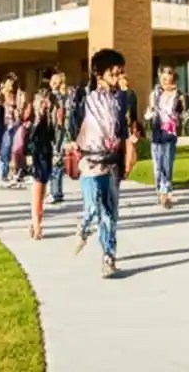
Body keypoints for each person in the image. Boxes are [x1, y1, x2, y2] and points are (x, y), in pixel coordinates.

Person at [67, 48, 133, 278]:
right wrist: (71, 141)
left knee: (109, 212)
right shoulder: (85, 97)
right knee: (93, 207)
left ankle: (108, 255)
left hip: (112, 161)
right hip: (90, 160)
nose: (119, 78)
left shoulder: (121, 99)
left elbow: (123, 130)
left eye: (121, 73)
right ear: (100, 74)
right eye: (114, 74)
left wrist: (128, 153)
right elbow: (71, 122)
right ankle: (83, 228)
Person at [145, 65, 188, 208]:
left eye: (168, 76)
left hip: (170, 132)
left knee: (167, 163)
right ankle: (160, 191)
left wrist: (180, 118)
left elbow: (184, 113)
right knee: (157, 164)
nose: (165, 80)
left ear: (173, 77)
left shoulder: (179, 94)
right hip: (157, 131)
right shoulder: (155, 94)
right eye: (163, 77)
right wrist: (149, 115)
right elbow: (150, 109)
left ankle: (166, 194)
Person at [27, 85, 57, 238]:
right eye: (42, 102)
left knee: (42, 192)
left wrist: (51, 116)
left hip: (47, 155)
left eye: (47, 102)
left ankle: (34, 223)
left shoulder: (49, 118)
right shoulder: (33, 118)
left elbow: (52, 136)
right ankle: (37, 225)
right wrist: (38, 117)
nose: (45, 105)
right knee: (37, 192)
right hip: (37, 156)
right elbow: (30, 138)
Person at [0, 73, 28, 187]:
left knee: (15, 149)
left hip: (15, 125)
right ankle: (2, 175)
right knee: (4, 150)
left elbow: (20, 111)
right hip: (5, 126)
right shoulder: (0, 97)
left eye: (13, 84)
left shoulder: (17, 97)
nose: (11, 86)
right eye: (9, 83)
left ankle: (14, 173)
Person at [48, 71, 69, 204]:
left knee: (55, 161)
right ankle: (57, 192)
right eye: (52, 81)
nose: (53, 84)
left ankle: (55, 193)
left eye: (56, 82)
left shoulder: (56, 98)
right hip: (58, 132)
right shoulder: (63, 97)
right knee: (58, 162)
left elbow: (58, 118)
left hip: (56, 133)